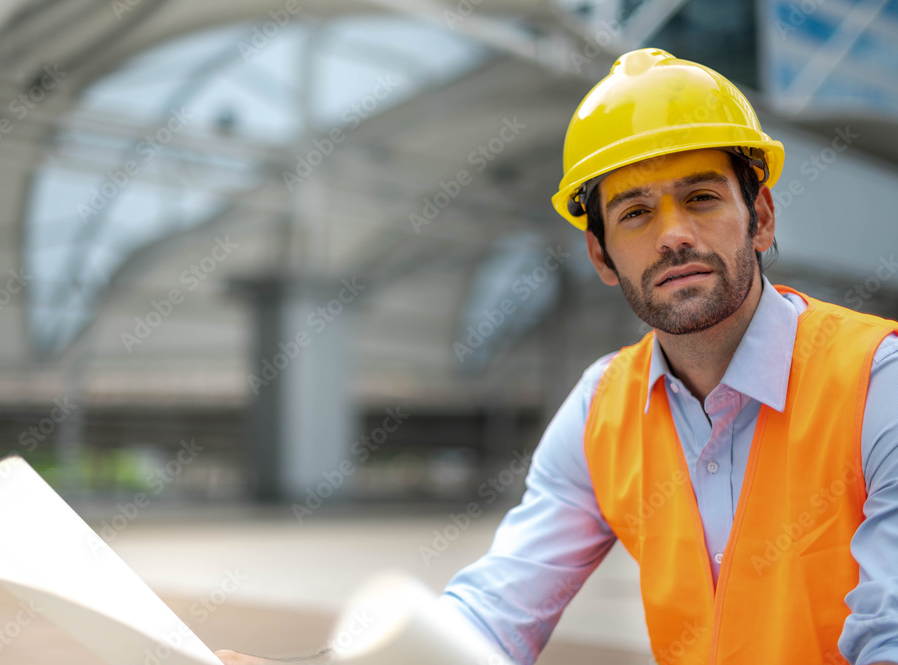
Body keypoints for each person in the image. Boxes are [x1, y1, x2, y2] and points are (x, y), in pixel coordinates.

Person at [217, 48, 898, 665]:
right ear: (601, 254)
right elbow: (491, 615)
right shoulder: (601, 411)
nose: (674, 235)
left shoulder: (876, 383)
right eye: (635, 213)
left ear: (764, 217)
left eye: (702, 197)